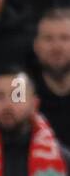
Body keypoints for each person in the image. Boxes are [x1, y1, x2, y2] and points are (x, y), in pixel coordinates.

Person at [33, 9, 70, 144]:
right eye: (48, 39)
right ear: (36, 46)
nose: (57, 47)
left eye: (65, 38)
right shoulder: (19, 87)